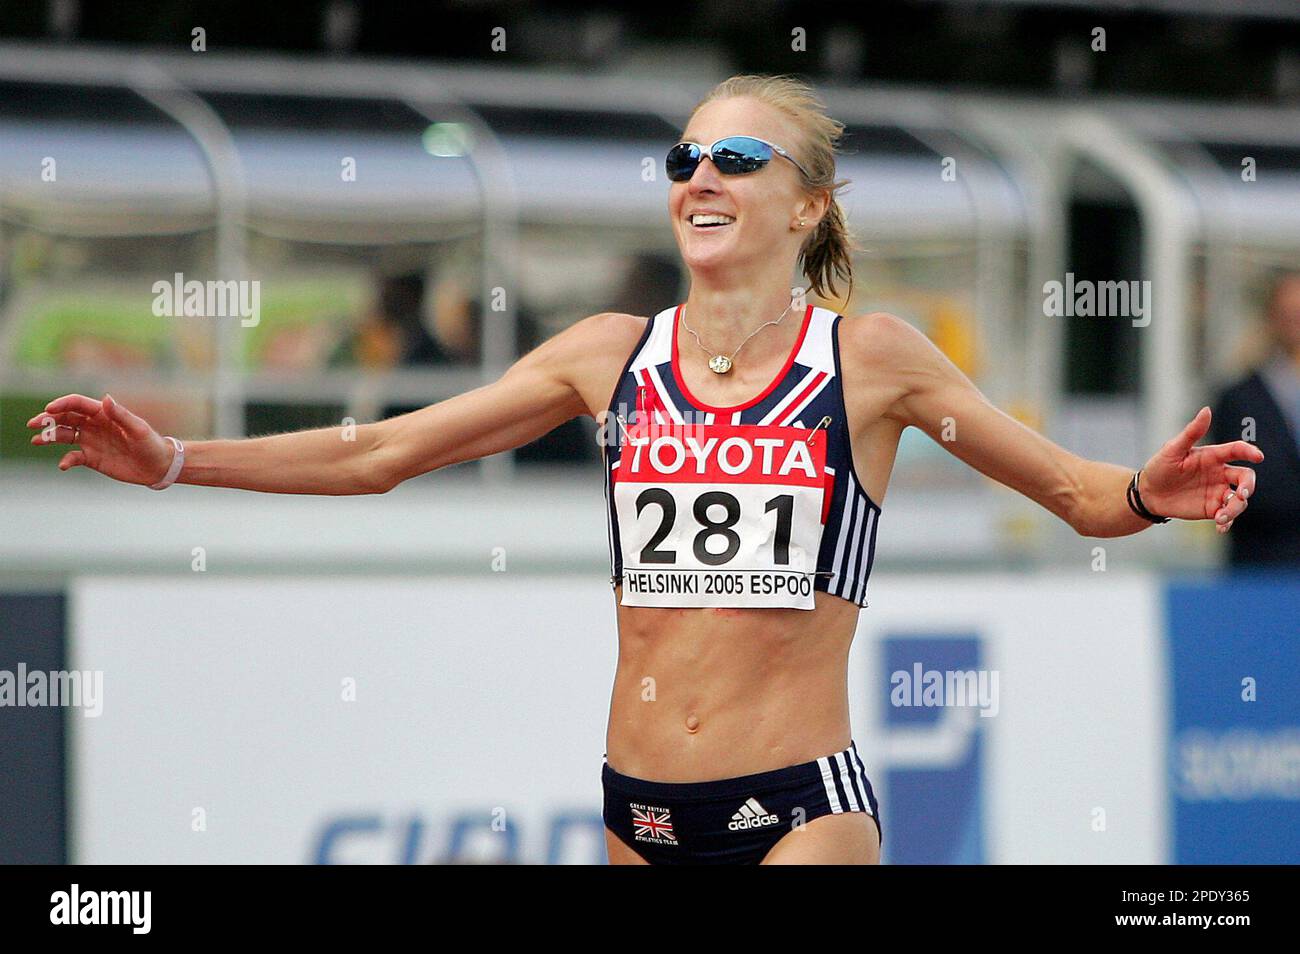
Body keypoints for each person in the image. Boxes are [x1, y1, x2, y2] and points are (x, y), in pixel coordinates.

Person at [27, 74, 1262, 865]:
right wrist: (179, 458)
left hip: (802, 808)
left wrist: (1152, 492)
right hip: (639, 812)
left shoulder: (874, 361)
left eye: (736, 162)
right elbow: (381, 453)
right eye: (684, 162)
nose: (701, 181)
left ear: (809, 209)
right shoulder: (606, 356)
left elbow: (1075, 495)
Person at [1211, 271, 1300, 566]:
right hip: (1262, 571)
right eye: (1288, 315)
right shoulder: (1239, 399)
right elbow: (1248, 486)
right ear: (1271, 319)